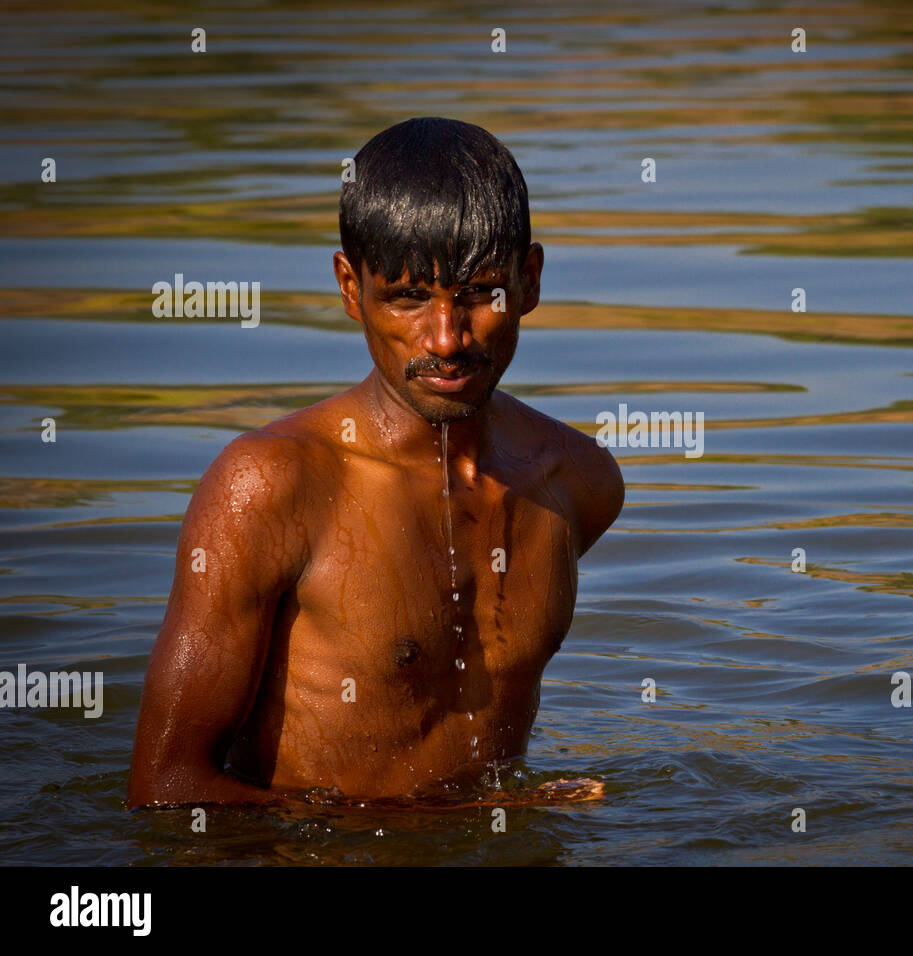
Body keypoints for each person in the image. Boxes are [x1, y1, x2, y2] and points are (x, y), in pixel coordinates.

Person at [127, 117, 624, 807]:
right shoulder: (268, 487)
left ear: (530, 279)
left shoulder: (580, 482)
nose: (447, 338)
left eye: (480, 293)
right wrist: (457, 819)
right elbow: (166, 792)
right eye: (408, 296)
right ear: (351, 287)